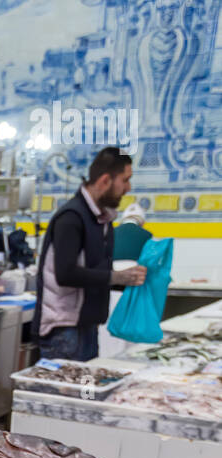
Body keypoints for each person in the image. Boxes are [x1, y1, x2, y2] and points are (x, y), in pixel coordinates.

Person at [31, 147, 147, 362]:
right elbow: (65, 274)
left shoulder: (101, 219)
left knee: (86, 393)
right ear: (105, 181)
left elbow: (96, 268)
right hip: (63, 331)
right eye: (125, 180)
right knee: (63, 394)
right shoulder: (71, 217)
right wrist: (118, 277)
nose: (128, 188)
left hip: (86, 325)